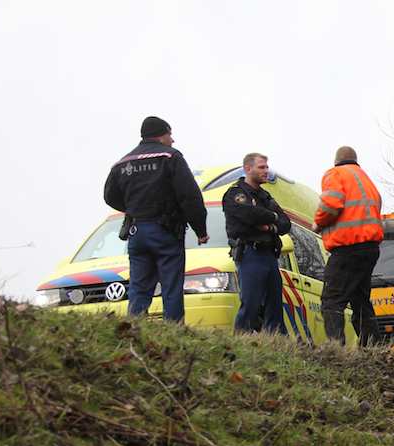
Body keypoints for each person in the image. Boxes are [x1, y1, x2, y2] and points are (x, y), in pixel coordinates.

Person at [103, 116, 209, 322]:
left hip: (137, 232)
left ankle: (134, 329)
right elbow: (189, 196)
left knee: (139, 287)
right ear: (161, 135)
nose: (173, 140)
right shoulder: (170, 157)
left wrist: (133, 208)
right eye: (170, 134)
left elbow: (109, 196)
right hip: (165, 231)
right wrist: (200, 230)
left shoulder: (123, 162)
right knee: (171, 285)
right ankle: (174, 330)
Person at [314, 145, 384, 346]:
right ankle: (373, 348)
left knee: (332, 299)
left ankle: (336, 347)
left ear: (336, 161)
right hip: (370, 248)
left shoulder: (335, 173)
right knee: (360, 300)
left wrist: (318, 222)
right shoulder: (365, 179)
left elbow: (331, 203)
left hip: (347, 247)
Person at [222, 153, 293, 334]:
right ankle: (241, 342)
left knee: (275, 306)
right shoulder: (235, 193)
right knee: (251, 304)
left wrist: (269, 226)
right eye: (261, 167)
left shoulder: (265, 196)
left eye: (266, 167)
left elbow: (285, 223)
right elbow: (248, 215)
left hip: (269, 255)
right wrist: (271, 217)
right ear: (248, 168)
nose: (266, 171)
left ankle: (277, 345)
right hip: (249, 253)